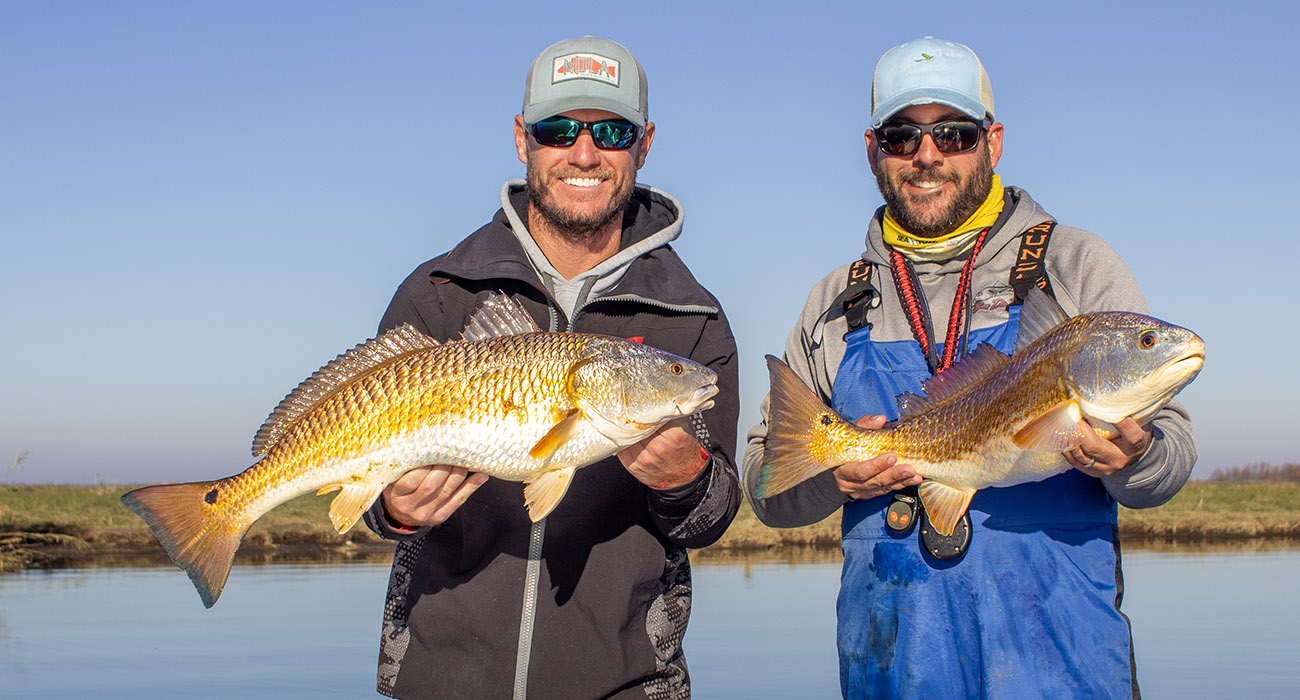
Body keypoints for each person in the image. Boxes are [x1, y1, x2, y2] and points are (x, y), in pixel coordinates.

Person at [743, 36, 1196, 699]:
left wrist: (1137, 457)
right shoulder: (836, 302)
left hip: (1064, 672)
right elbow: (764, 487)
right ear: (873, 149)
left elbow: (1172, 457)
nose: (928, 156)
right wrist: (836, 479)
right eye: (903, 137)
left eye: (953, 134)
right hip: (893, 668)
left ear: (994, 140)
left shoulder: (1075, 266)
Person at [361, 36, 740, 700]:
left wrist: (688, 481)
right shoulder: (437, 292)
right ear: (522, 139)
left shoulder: (695, 316)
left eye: (611, 132)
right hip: (440, 682)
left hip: (626, 684)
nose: (584, 153)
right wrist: (391, 507)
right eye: (558, 130)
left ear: (644, 143)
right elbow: (360, 470)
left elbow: (712, 517)